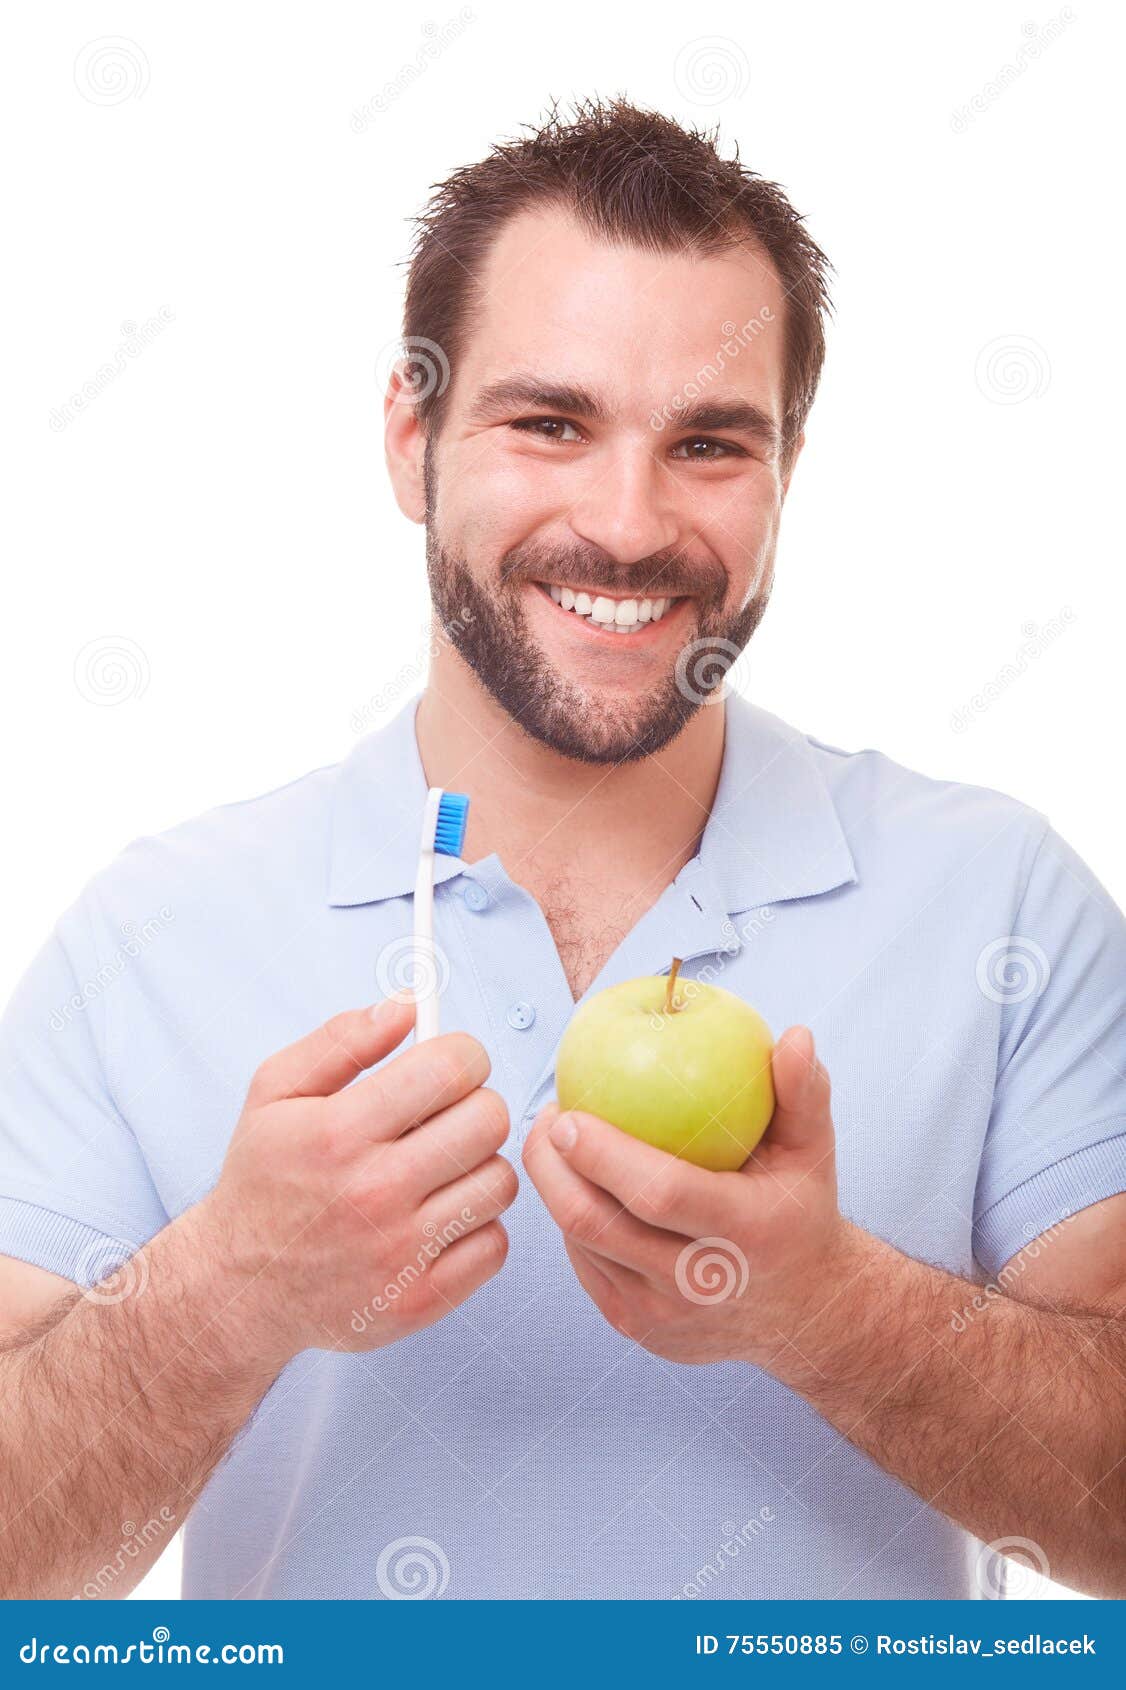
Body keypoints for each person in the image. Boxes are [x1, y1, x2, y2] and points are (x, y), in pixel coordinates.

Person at [1, 99, 1124, 1603]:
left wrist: (825, 1306)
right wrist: (222, 1295)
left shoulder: (1000, 898)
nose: (625, 521)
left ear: (788, 468)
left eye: (709, 444)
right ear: (412, 437)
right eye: (549, 423)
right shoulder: (151, 932)